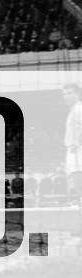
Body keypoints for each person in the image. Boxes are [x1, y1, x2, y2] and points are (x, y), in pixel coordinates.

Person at [64, 83, 82, 211]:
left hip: (77, 148)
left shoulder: (79, 109)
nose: (66, 96)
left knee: (76, 174)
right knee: (73, 175)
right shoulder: (73, 110)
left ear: (77, 94)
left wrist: (77, 143)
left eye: (69, 93)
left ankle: (79, 200)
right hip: (73, 148)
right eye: (64, 94)